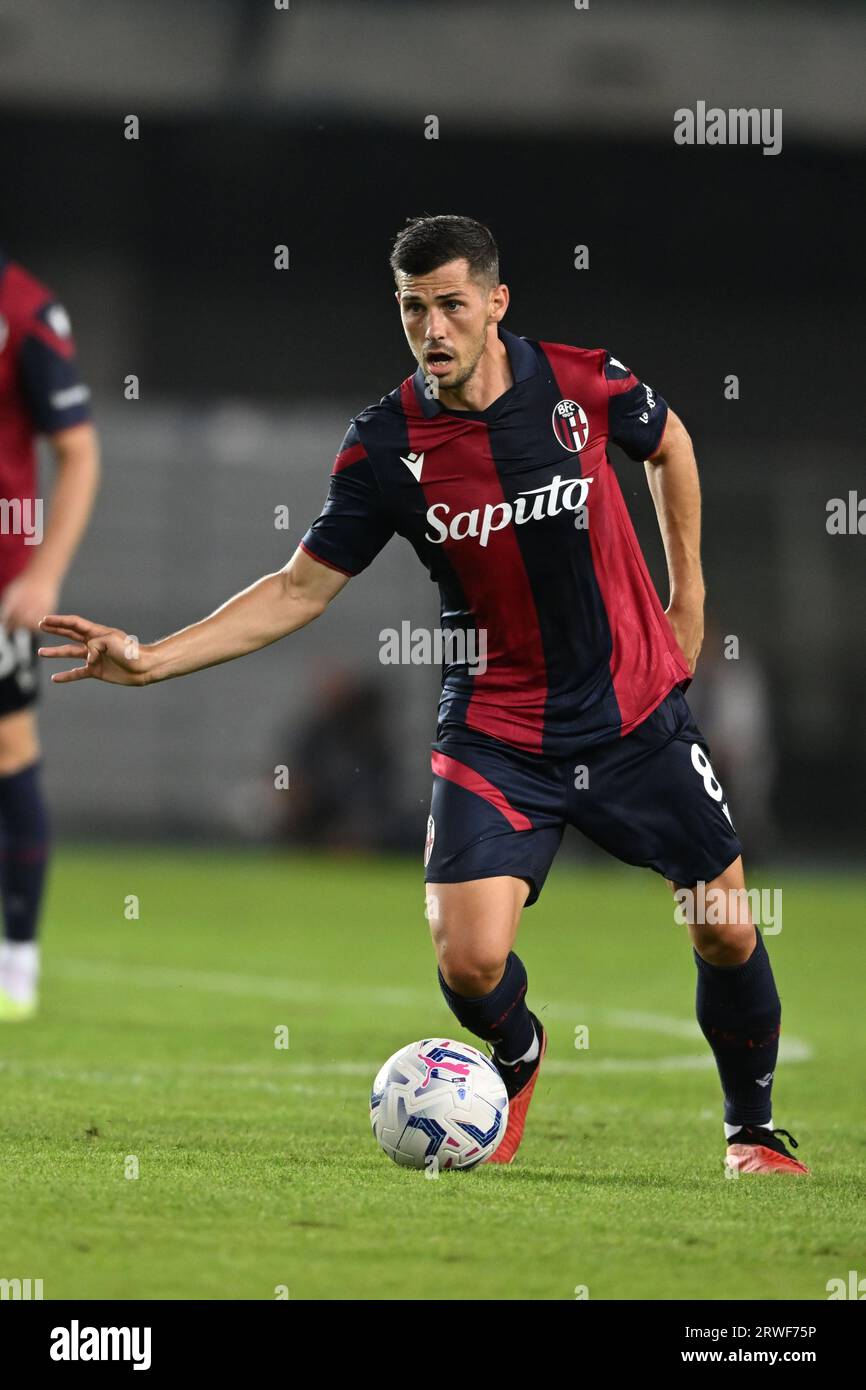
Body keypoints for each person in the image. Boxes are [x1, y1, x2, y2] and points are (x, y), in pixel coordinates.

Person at [38, 215, 807, 1174]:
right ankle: (518, 1058)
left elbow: (671, 443)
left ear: (496, 303)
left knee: (727, 929)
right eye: (413, 309)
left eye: (450, 304)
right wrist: (149, 659)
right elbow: (298, 588)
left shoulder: (580, 383)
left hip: (635, 714)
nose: (432, 328)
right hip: (496, 731)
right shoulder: (384, 445)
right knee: (469, 961)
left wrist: (687, 594)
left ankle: (751, 1132)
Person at [0, 248, 100, 1020]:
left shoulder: (24, 312)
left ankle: (16, 963)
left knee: (9, 749)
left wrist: (42, 576)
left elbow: (77, 449)